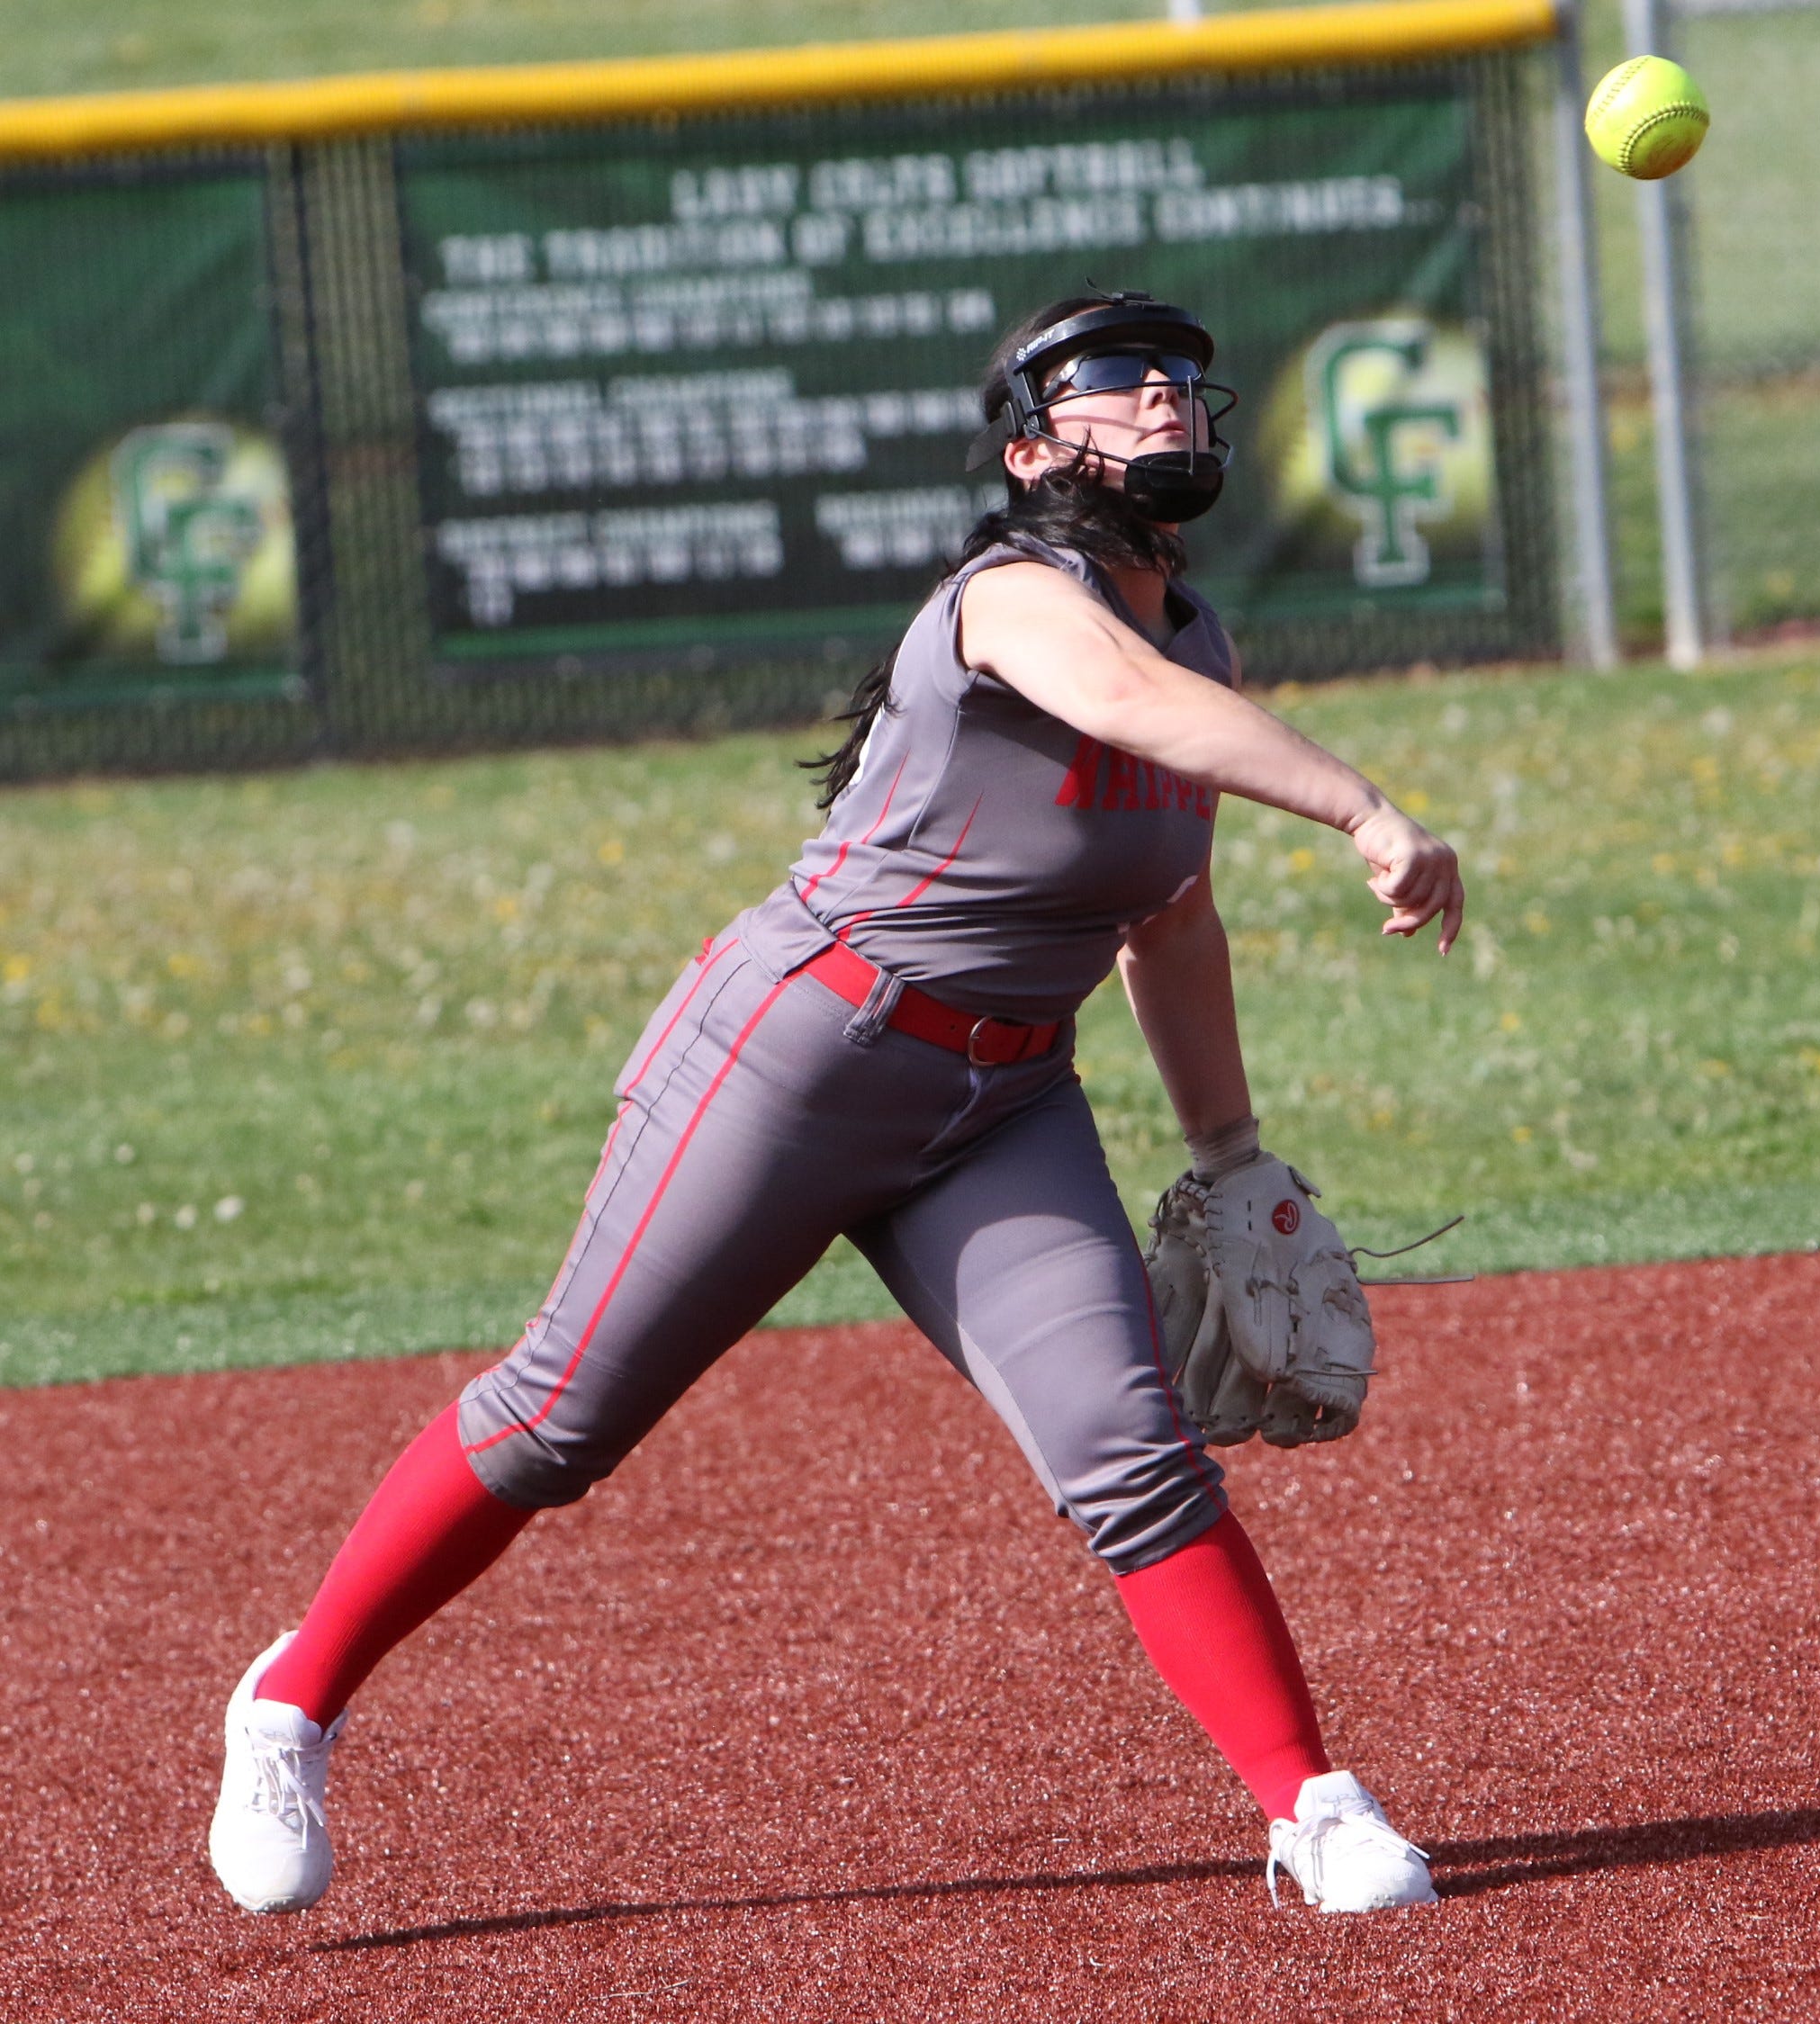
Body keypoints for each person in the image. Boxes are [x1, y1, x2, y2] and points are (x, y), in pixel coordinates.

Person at [207, 290, 1465, 1919]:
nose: (1159, 395)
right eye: (1107, 381)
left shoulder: (1201, 645)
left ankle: (1310, 1801)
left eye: (1178, 377)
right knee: (555, 1423)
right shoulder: (1009, 599)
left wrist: (1227, 1151)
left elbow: (1170, 917)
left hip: (1007, 1101)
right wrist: (1359, 802)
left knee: (1135, 1455)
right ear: (1029, 449)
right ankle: (291, 1697)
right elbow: (1126, 707)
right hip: (801, 1055)